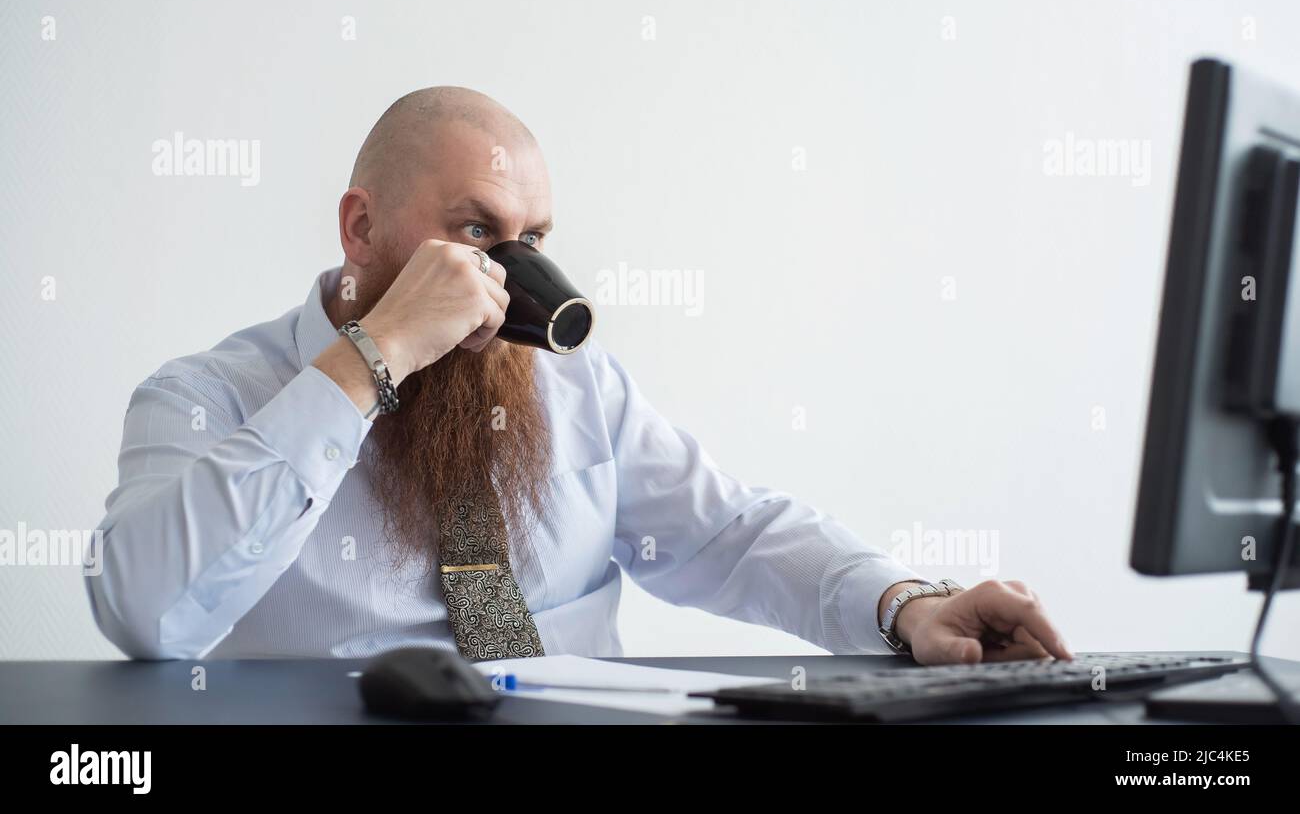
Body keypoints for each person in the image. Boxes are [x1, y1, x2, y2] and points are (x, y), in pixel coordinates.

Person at [86, 86, 1073, 666]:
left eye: (534, 239)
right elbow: (148, 614)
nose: (510, 272)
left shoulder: (575, 392)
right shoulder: (208, 398)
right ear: (361, 228)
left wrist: (900, 606)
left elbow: (729, 536)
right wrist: (373, 359)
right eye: (476, 231)